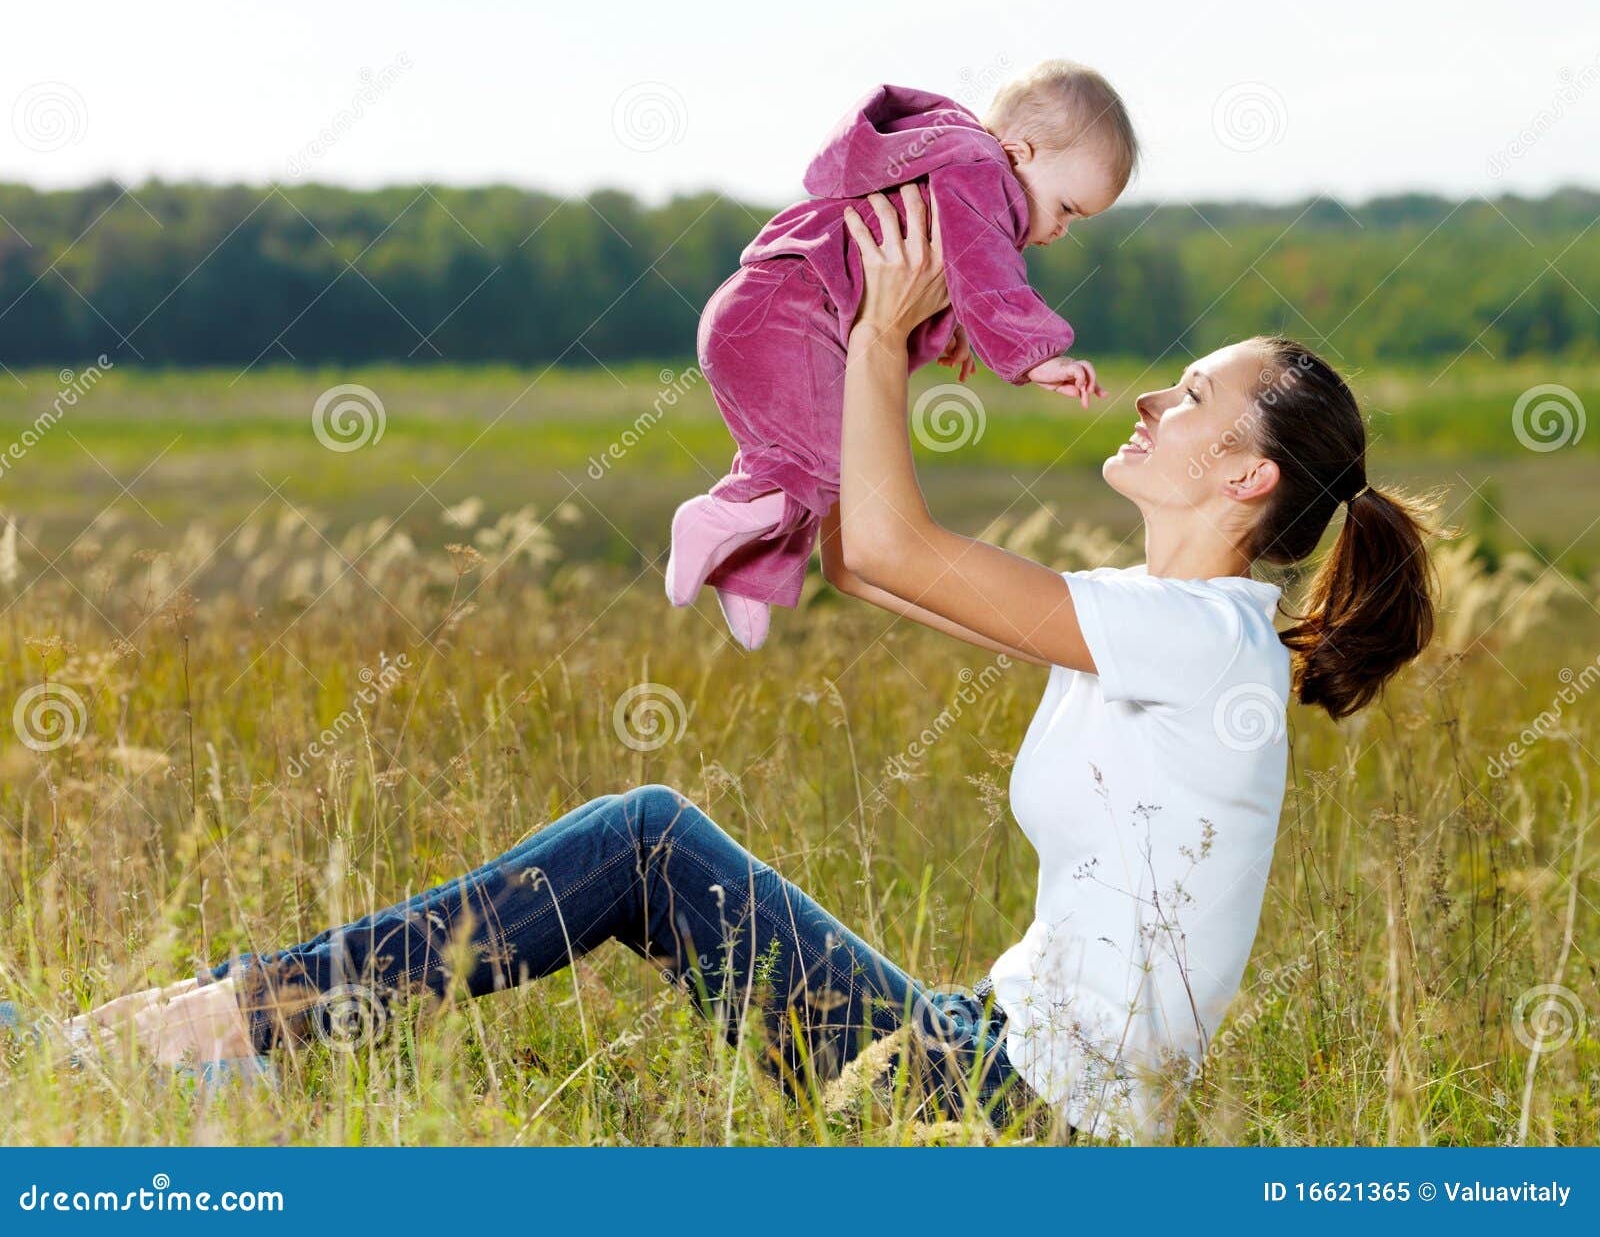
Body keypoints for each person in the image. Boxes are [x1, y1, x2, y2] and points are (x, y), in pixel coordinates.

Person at [56, 185, 1435, 1145]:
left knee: (648, 839)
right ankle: (191, 1026)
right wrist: (830, 342)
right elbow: (860, 557)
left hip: (1022, 1124)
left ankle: (226, 1027)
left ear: (1248, 474)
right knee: (647, 854)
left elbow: (894, 547)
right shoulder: (1144, 608)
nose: (1153, 397)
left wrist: (887, 335)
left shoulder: (1197, 639)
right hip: (975, 1054)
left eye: (1192, 395)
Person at [665, 60, 1135, 649]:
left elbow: (955, 265)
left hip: (762, 313)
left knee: (810, 463)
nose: (1063, 229)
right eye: (1067, 208)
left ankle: (746, 571)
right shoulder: (981, 170)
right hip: (786, 315)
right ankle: (714, 518)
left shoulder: (951, 168)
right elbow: (989, 273)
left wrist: (956, 324)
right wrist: (1036, 355)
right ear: (1019, 154)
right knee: (843, 459)